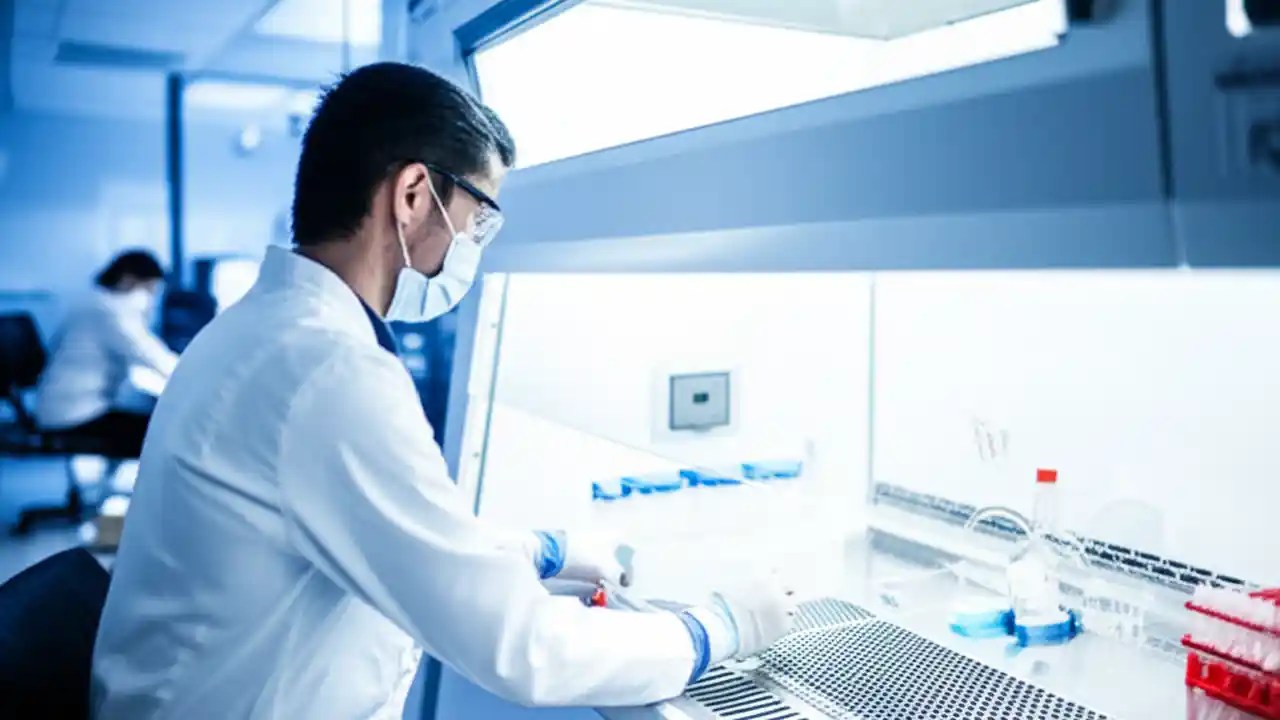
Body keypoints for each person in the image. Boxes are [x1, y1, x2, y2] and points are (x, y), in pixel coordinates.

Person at [90, 62, 792, 719]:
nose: (477, 246)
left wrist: (546, 550)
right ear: (414, 195)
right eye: (481, 217)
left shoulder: (260, 332)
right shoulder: (327, 372)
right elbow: (519, 648)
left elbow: (394, 531)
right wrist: (714, 630)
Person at [35, 250, 177, 457]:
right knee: (165, 437)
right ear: (128, 280)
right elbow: (151, 355)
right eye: (149, 289)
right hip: (73, 415)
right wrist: (199, 378)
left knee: (154, 423)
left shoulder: (97, 302)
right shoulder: (109, 311)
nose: (150, 299)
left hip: (74, 407)